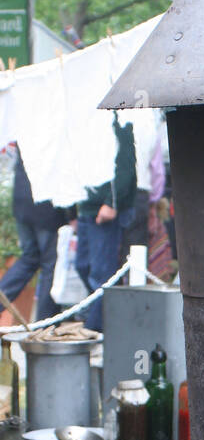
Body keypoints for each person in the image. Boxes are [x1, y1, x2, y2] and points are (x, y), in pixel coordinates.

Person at [75, 114, 136, 332]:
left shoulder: (117, 122)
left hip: (105, 207)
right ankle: (100, 320)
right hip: (87, 206)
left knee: (101, 273)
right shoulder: (84, 123)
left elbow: (125, 165)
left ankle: (96, 330)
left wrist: (112, 202)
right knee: (82, 265)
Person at [0, 149, 67, 321]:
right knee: (50, 264)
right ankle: (46, 323)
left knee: (30, 258)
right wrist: (71, 214)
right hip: (47, 205)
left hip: (22, 200)